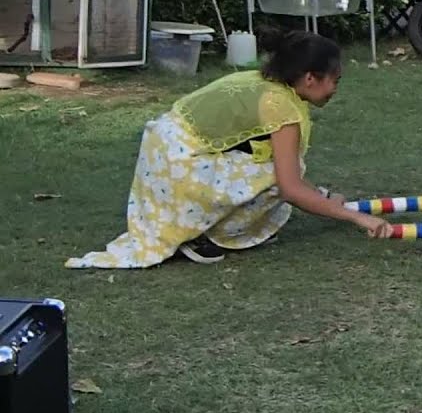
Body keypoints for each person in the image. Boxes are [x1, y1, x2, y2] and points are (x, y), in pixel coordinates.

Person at [65, 30, 392, 269]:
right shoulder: (279, 106)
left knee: (277, 170)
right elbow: (290, 187)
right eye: (334, 80)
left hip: (166, 155)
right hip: (177, 165)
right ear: (310, 78)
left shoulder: (264, 83)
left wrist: (323, 197)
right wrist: (356, 218)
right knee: (275, 176)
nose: (335, 88)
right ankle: (198, 233)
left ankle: (199, 226)